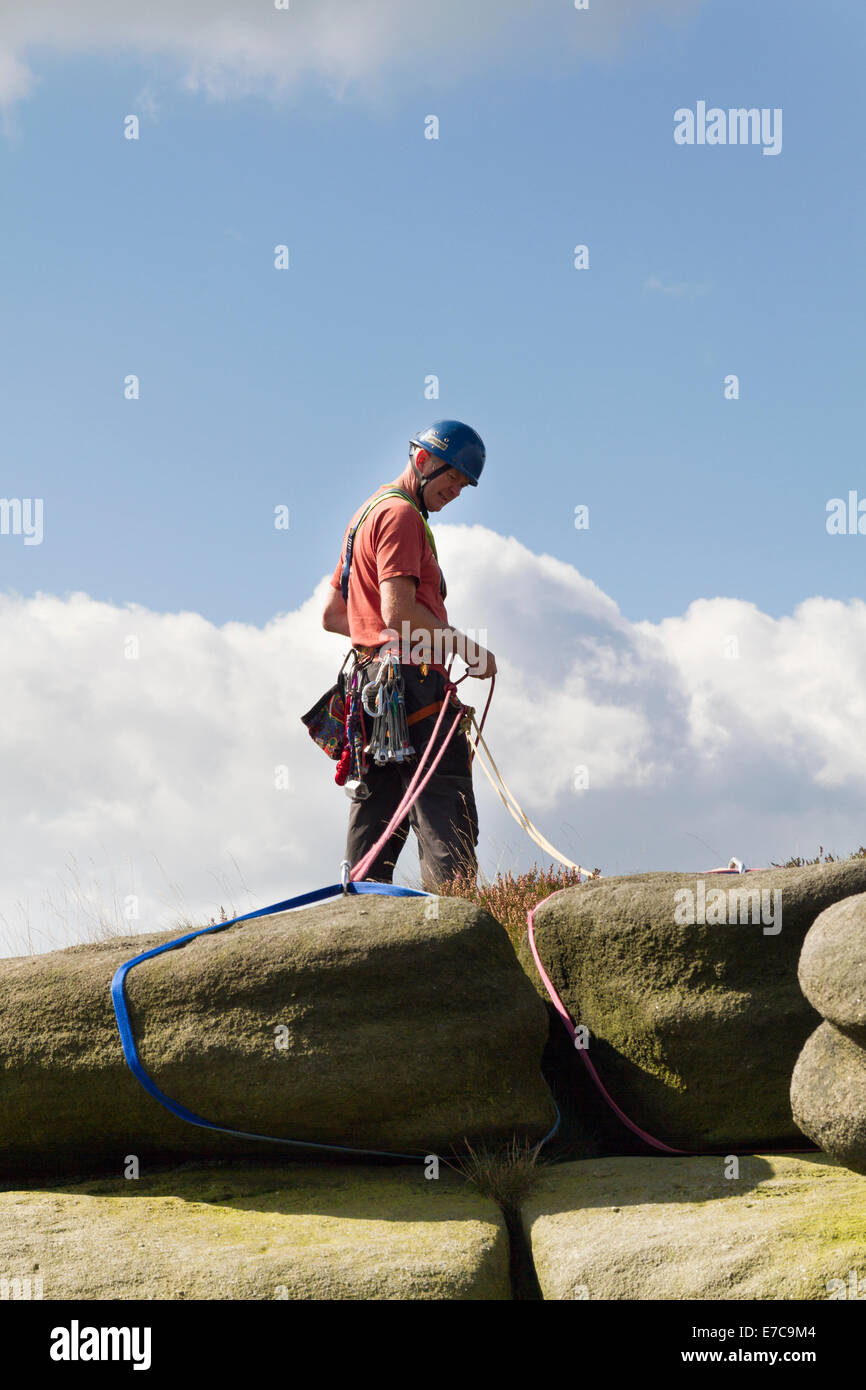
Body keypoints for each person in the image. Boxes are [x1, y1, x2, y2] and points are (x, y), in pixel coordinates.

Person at [322, 420, 497, 890]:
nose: (457, 492)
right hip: (415, 688)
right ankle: (455, 943)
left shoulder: (364, 516)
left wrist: (378, 644)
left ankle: (357, 932)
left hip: (373, 694)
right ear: (423, 460)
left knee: (375, 819)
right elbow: (398, 614)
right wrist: (464, 646)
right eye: (452, 478)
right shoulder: (402, 516)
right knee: (446, 812)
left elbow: (335, 616)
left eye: (464, 484)